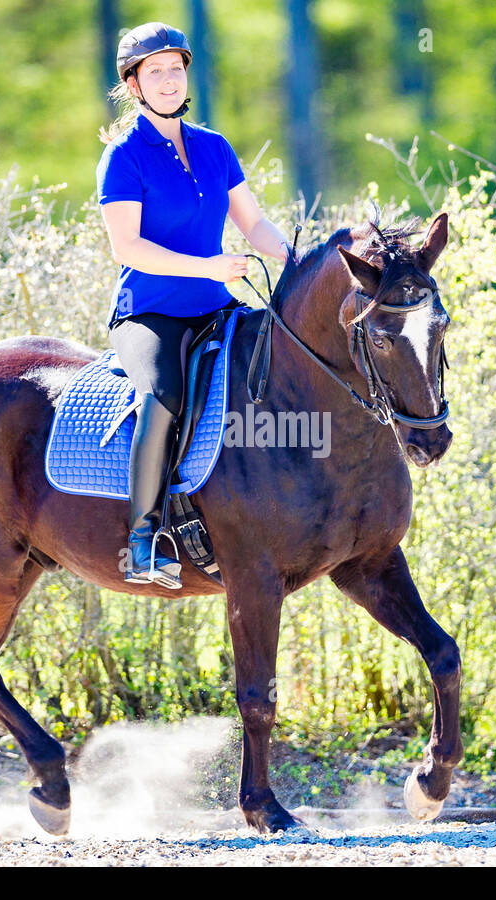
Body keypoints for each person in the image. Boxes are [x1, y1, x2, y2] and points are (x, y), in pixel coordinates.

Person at [97, 21, 293, 589]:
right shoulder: (123, 156)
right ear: (132, 84)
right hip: (150, 310)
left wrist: (298, 258)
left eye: (175, 68)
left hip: (215, 305)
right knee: (164, 395)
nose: (167, 79)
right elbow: (125, 246)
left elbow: (252, 223)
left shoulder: (214, 147)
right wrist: (206, 266)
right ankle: (143, 538)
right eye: (153, 71)